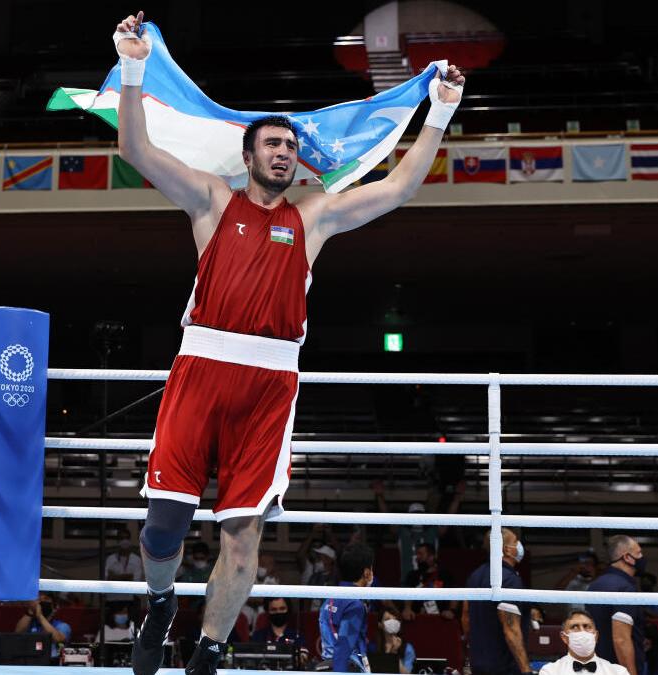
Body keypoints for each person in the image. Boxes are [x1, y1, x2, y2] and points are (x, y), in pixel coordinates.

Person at [112, 11, 465, 675]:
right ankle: (160, 601)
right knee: (163, 523)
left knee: (242, 535)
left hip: (270, 386)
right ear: (248, 156)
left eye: (288, 145)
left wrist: (438, 111)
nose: (282, 151)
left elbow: (399, 187)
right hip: (200, 367)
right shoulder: (211, 201)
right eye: (270, 143)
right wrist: (133, 66)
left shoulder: (315, 216)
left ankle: (208, 654)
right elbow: (137, 150)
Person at [463, 528, 532, 675]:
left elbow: (465, 618)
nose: (519, 545)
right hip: (503, 667)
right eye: (515, 542)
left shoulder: (475, 575)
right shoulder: (509, 580)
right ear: (507, 550)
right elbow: (511, 629)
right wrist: (526, 670)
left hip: (478, 664)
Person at [586, 535, 647, 675]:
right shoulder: (624, 588)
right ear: (627, 557)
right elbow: (621, 639)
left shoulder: (596, 584)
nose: (642, 557)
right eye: (638, 553)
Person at [318, 543, 376, 672]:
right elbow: (343, 647)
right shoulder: (355, 605)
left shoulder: (330, 598)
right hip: (345, 668)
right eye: (372, 569)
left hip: (329, 664)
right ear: (367, 573)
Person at [538, 610, 630, 675]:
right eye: (575, 627)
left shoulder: (618, 672)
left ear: (596, 636)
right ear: (564, 637)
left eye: (587, 626)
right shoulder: (550, 671)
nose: (582, 631)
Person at [402, 542, 457, 619]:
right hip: (416, 618)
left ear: (431, 556)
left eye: (420, 554)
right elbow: (408, 595)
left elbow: (454, 595)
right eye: (417, 554)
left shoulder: (445, 575)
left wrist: (452, 611)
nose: (417, 557)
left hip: (440, 618)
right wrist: (407, 609)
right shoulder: (412, 575)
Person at [250, 598, 308, 668]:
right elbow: (251, 661)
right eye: (274, 610)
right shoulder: (258, 636)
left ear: (288, 609)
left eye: (282, 608)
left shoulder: (297, 636)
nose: (278, 612)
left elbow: (303, 658)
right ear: (267, 611)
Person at [14, 592, 72, 660]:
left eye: (46, 599)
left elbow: (59, 639)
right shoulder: (30, 624)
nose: (41, 602)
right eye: (39, 600)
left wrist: (40, 616)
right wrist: (31, 610)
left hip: (53, 664)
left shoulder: (62, 626)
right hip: (31, 662)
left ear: (55, 607)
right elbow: (17, 633)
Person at [106, 528, 145, 607]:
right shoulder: (110, 559)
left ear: (130, 540)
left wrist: (115, 577)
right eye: (122, 538)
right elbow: (107, 579)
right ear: (117, 541)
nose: (124, 540)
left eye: (127, 538)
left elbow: (136, 581)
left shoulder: (136, 559)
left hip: (131, 601)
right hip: (113, 600)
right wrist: (128, 576)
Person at [374, 607, 417, 674]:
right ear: (380, 624)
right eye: (387, 619)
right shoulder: (373, 646)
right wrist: (388, 652)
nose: (392, 622)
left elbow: (406, 673)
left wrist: (394, 653)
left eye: (395, 619)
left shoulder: (407, 648)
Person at [557, 551, 600, 615]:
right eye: (584, 563)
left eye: (590, 564)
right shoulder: (572, 581)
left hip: (591, 619)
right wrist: (574, 572)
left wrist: (593, 574)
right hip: (572, 618)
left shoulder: (599, 581)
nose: (586, 566)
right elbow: (557, 592)